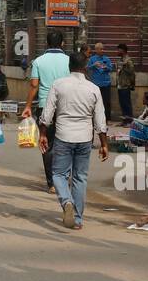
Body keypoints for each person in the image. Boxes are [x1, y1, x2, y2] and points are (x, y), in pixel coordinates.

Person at [39, 46, 109, 229]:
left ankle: (66, 202)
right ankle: (77, 219)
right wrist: (104, 144)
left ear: (69, 66)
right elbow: (100, 119)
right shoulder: (93, 88)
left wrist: (43, 134)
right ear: (85, 66)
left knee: (59, 174)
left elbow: (47, 114)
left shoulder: (58, 84)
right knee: (80, 177)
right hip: (85, 138)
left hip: (63, 135)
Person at [22, 29, 71, 194]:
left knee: (47, 144)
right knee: (65, 144)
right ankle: (63, 178)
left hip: (44, 107)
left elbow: (34, 85)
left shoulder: (38, 61)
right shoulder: (69, 60)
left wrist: (28, 106)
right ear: (63, 43)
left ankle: (51, 183)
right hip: (66, 107)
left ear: (47, 43)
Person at [87, 42, 114, 123]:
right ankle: (94, 119)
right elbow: (87, 68)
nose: (103, 50)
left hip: (106, 83)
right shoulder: (92, 59)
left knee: (106, 102)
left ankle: (107, 119)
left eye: (103, 49)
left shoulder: (106, 58)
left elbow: (111, 68)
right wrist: (94, 65)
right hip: (96, 84)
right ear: (96, 50)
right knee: (95, 102)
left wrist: (106, 67)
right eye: (101, 49)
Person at [115, 43, 136, 121]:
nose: (117, 51)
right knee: (122, 104)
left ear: (123, 50)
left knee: (127, 104)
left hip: (126, 85)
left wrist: (132, 85)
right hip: (120, 85)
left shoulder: (128, 60)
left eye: (118, 50)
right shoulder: (120, 60)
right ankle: (124, 121)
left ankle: (129, 121)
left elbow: (132, 72)